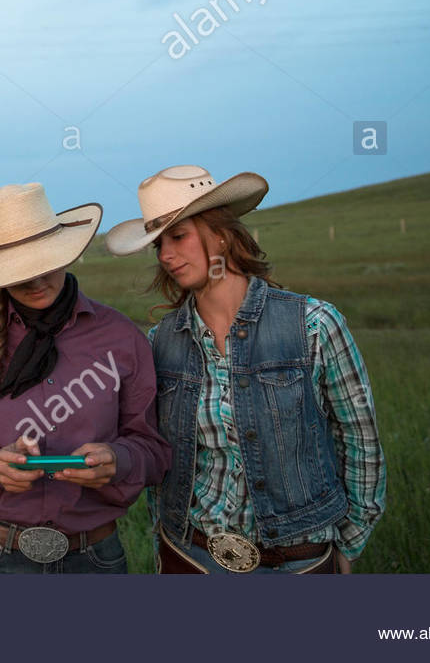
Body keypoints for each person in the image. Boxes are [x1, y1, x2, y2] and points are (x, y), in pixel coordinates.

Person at [105, 165, 386, 574]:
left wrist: (350, 544)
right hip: (190, 556)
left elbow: (360, 439)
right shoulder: (160, 342)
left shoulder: (314, 325)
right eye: (158, 245)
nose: (166, 255)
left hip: (296, 561)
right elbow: (161, 456)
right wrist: (164, 544)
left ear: (220, 233)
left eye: (178, 237)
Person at [0, 182, 170, 573]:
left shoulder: (122, 338)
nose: (35, 282)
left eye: (44, 265)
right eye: (19, 273)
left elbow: (154, 451)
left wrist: (118, 460)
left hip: (94, 560)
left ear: (64, 253)